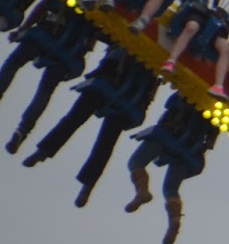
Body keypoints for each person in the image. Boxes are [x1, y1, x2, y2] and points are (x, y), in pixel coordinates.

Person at [0, 0, 98, 156]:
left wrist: (23, 28)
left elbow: (42, 6)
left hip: (49, 34)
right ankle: (23, 130)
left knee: (14, 62)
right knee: (46, 89)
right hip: (71, 49)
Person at [22, 45, 159, 207]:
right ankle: (45, 151)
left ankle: (86, 182)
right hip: (117, 82)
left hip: (129, 89)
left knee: (102, 138)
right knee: (80, 121)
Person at [124, 93, 220, 244]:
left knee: (136, 162)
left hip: (169, 135)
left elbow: (170, 107)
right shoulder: (217, 111)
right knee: (170, 188)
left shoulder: (182, 94)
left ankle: (142, 191)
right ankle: (174, 220)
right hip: (192, 150)